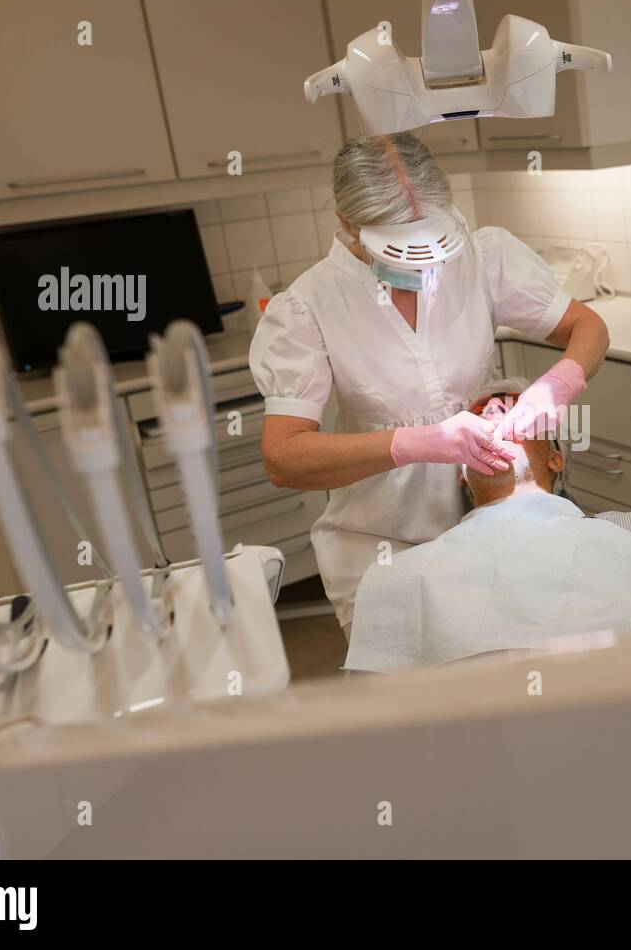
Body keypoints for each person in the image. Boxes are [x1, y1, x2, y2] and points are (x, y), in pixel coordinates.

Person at [249, 134, 610, 635]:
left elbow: (587, 327)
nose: (422, 266)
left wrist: (560, 383)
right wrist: (418, 443)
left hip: (495, 530)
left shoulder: (482, 257)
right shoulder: (309, 307)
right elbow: (283, 458)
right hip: (382, 545)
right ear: (347, 224)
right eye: (399, 250)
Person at [344, 378, 631, 672]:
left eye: (516, 412)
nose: (494, 411)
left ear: (556, 459)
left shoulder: (629, 534)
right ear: (462, 471)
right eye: (480, 417)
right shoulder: (400, 576)